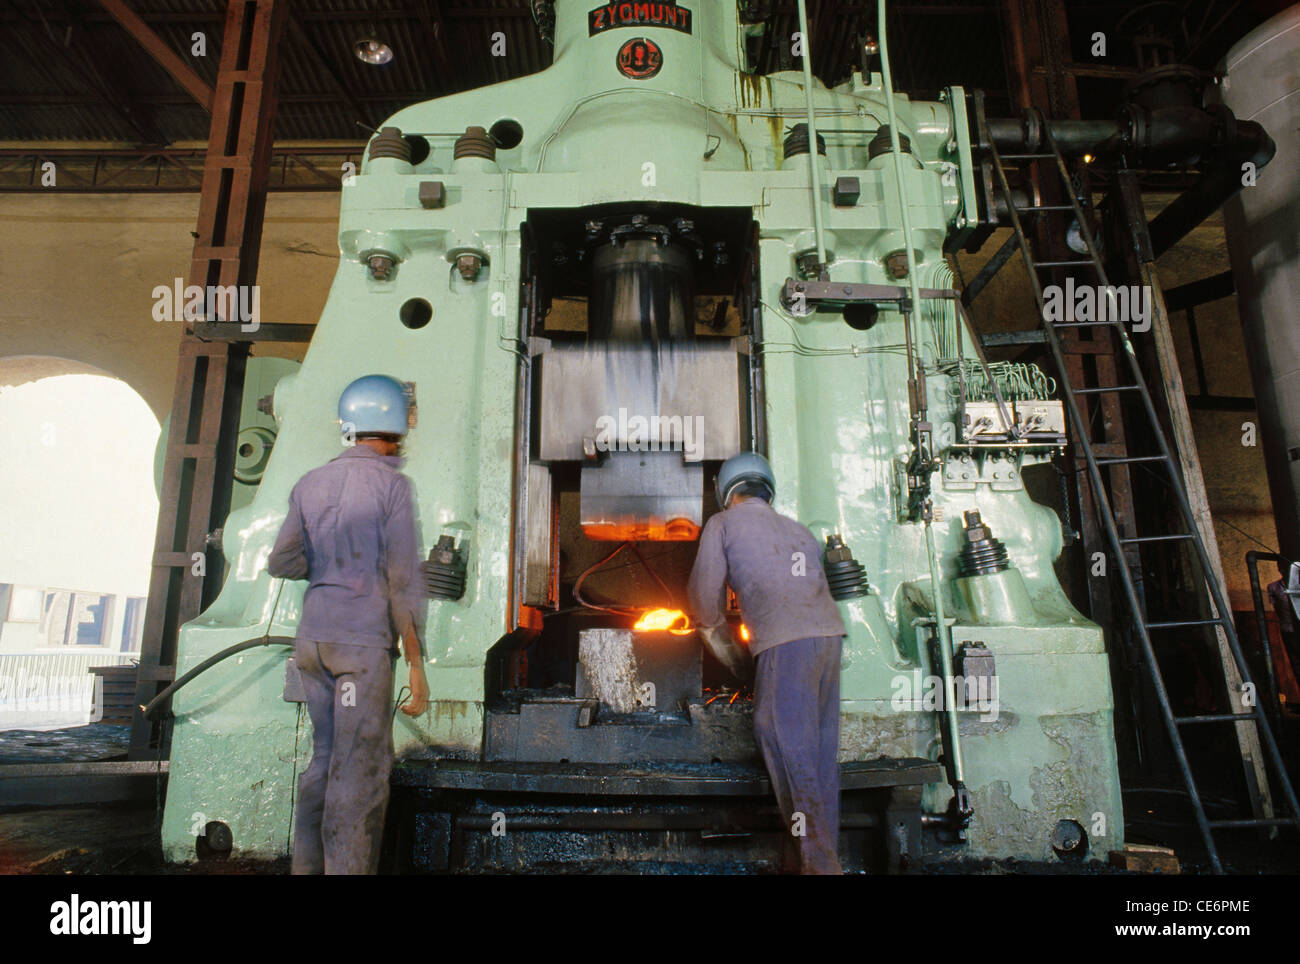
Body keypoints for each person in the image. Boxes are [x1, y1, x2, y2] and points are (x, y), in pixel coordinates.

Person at [268, 373, 429, 875]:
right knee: (358, 772)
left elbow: (281, 561)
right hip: (359, 652)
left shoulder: (310, 481)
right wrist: (417, 664)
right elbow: (403, 580)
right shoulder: (393, 486)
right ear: (397, 424)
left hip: (312, 645)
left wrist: (330, 570)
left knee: (323, 759)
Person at [687, 451, 847, 875]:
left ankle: (820, 869)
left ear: (725, 492)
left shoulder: (722, 524)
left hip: (786, 643)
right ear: (767, 488)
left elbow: (704, 608)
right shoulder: (797, 530)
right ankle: (815, 860)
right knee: (817, 759)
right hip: (830, 640)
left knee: (783, 741)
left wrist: (736, 661)